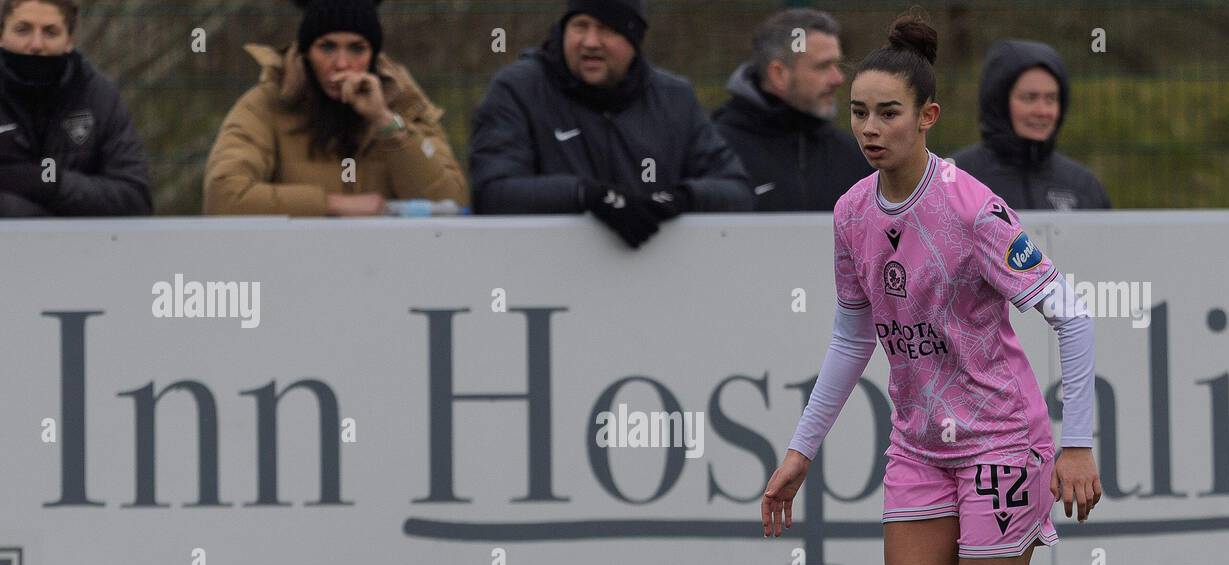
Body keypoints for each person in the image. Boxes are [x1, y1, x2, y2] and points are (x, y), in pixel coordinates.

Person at [760, 13, 1145, 565]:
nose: (869, 128)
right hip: (918, 446)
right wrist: (802, 449)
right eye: (860, 112)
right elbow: (851, 334)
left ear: (927, 116)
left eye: (888, 112)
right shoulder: (851, 214)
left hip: (1003, 437)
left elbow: (1071, 312)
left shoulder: (972, 209)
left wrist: (1078, 443)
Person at [470, 0, 752, 248]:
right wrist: (586, 195)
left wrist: (679, 199)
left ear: (634, 40)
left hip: (661, 282)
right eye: (580, 25)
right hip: (544, 284)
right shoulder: (518, 90)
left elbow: (737, 191)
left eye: (607, 28)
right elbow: (493, 193)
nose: (591, 42)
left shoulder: (675, 98)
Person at [204, 0, 467, 216]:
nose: (341, 64)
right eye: (327, 47)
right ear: (306, 53)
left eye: (357, 49)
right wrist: (333, 205)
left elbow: (452, 204)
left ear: (373, 56)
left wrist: (386, 122)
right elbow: (223, 196)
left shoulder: (403, 105)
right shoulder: (266, 105)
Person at [0, 0, 151, 216]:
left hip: (85, 248)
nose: (35, 44)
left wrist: (50, 185)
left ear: (70, 40)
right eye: (22, 30)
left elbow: (135, 199)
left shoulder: (100, 97)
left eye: (50, 32)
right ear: (1, 35)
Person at [712, 8, 865, 211]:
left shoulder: (854, 155)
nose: (838, 79)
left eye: (837, 64)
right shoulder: (714, 152)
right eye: (823, 66)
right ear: (779, 74)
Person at [952, 39, 1109, 210]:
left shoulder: (1084, 186)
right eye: (1029, 98)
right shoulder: (956, 179)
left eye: (1051, 99)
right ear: (998, 102)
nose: (1042, 111)